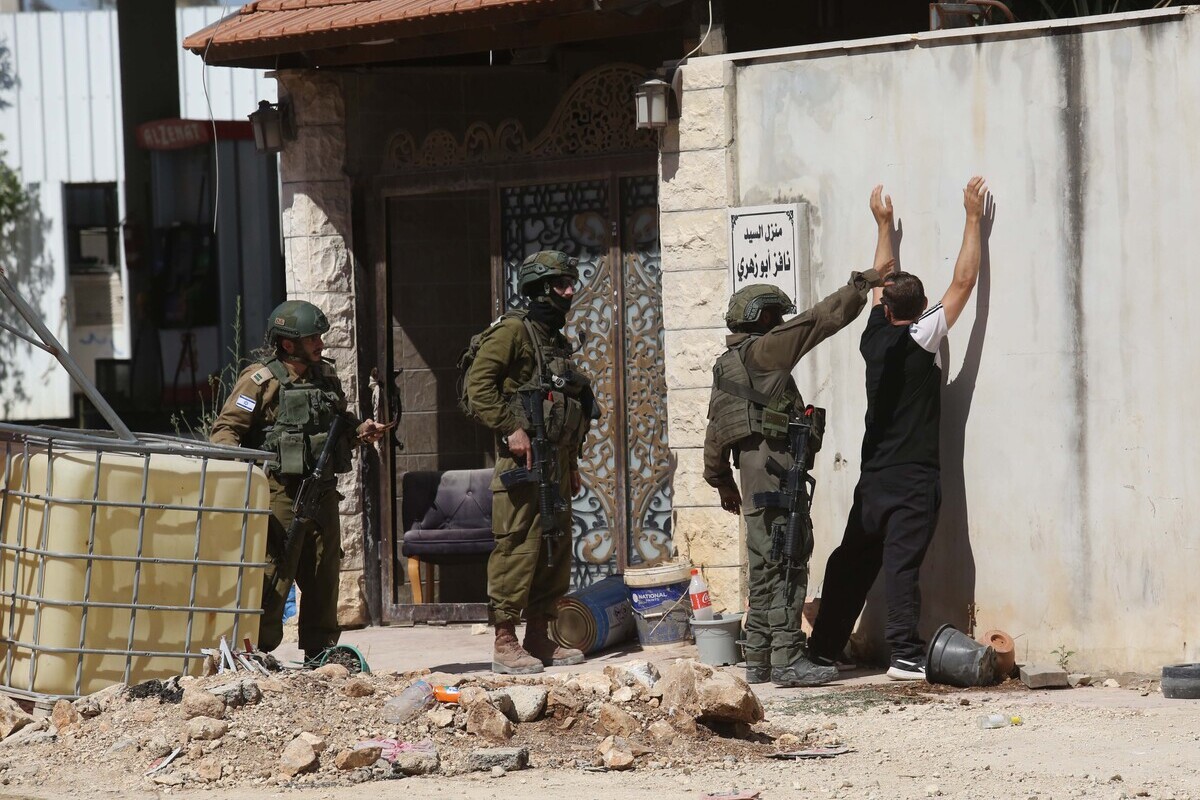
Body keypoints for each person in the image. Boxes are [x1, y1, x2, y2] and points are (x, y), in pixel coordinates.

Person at [704, 211, 894, 688]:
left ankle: (760, 656)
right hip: (774, 470)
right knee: (789, 556)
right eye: (775, 317)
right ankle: (788, 657)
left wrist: (723, 482)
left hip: (751, 477)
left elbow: (714, 434)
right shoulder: (764, 352)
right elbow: (819, 321)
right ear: (763, 320)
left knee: (764, 562)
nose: (781, 323)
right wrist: (866, 281)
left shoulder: (727, 365)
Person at [809, 177, 989, 681]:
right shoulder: (921, 338)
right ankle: (905, 654)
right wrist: (973, 219)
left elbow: (879, 277)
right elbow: (964, 284)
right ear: (918, 310)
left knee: (851, 562)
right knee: (902, 565)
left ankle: (822, 648)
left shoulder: (872, 337)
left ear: (884, 310)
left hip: (874, 478)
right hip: (912, 479)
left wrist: (883, 225)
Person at [211, 300, 387, 664]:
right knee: (275, 569)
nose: (320, 344)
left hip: (322, 491)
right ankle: (255, 650)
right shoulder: (261, 380)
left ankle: (320, 651)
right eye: (312, 338)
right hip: (279, 492)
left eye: (320, 337)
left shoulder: (325, 376)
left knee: (324, 570)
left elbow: (338, 421)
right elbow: (225, 431)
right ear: (288, 344)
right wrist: (243, 477)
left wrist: (360, 429)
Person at [465, 250, 596, 675]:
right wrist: (510, 429)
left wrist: (572, 462)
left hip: (556, 461)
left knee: (554, 549)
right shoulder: (513, 332)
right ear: (540, 288)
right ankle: (505, 641)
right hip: (522, 463)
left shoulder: (553, 339)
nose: (570, 291)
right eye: (561, 284)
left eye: (570, 283)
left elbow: (567, 404)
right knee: (518, 548)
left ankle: (539, 636)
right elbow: (478, 387)